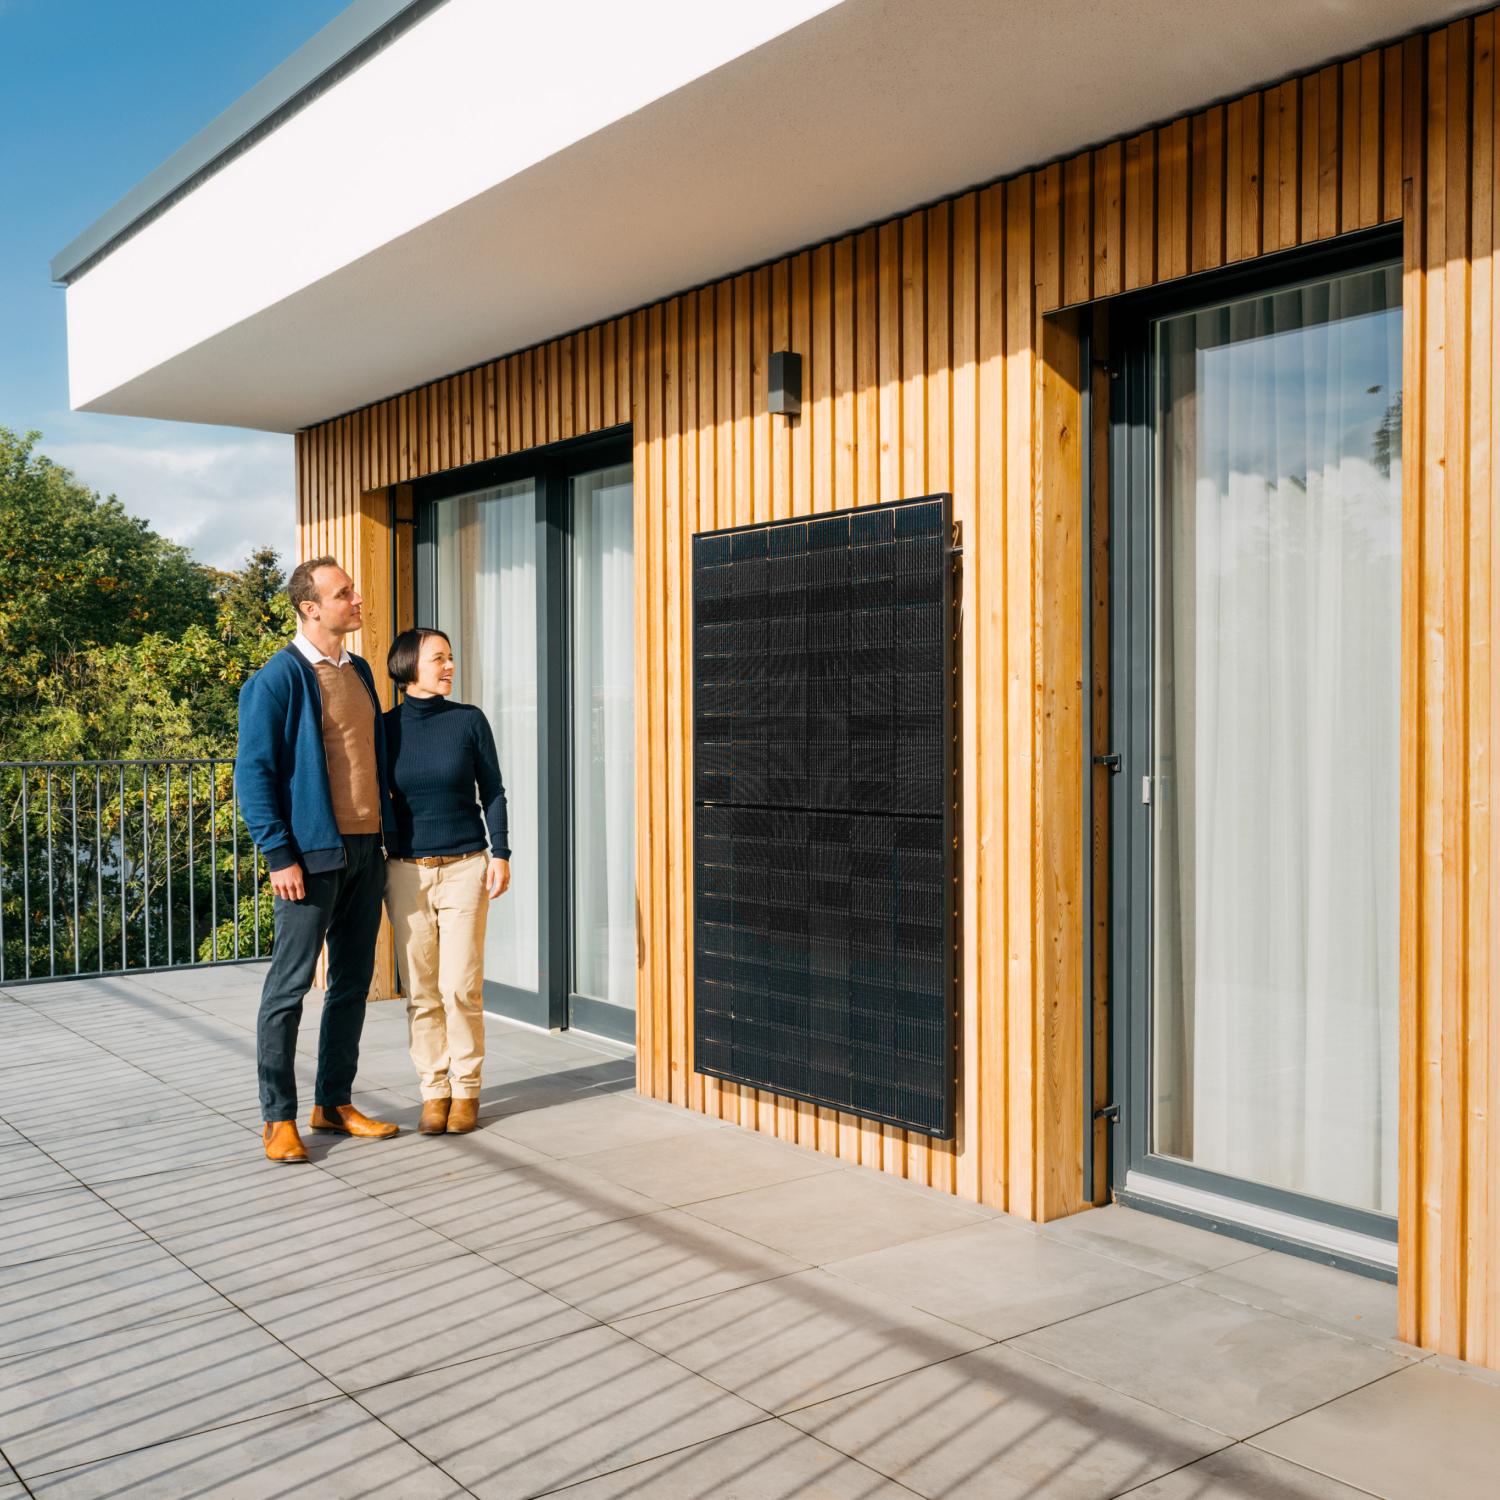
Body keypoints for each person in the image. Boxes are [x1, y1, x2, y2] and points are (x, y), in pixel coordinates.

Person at [236, 556, 401, 1163]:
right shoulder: (277, 679)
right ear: (310, 607)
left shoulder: (358, 670)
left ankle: (332, 1103)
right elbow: (253, 776)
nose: (357, 599)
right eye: (344, 592)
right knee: (289, 987)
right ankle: (277, 1117)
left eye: (353, 589)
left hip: (367, 848)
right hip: (308, 856)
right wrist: (279, 853)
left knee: (352, 983)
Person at [382, 627, 511, 1134]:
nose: (449, 667)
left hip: (464, 867)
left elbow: (494, 791)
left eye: (451, 658)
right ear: (410, 666)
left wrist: (500, 852)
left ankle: (467, 1089)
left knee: (461, 986)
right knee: (421, 991)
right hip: (406, 871)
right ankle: (434, 1090)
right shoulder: (385, 729)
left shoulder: (468, 721)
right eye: (439, 659)